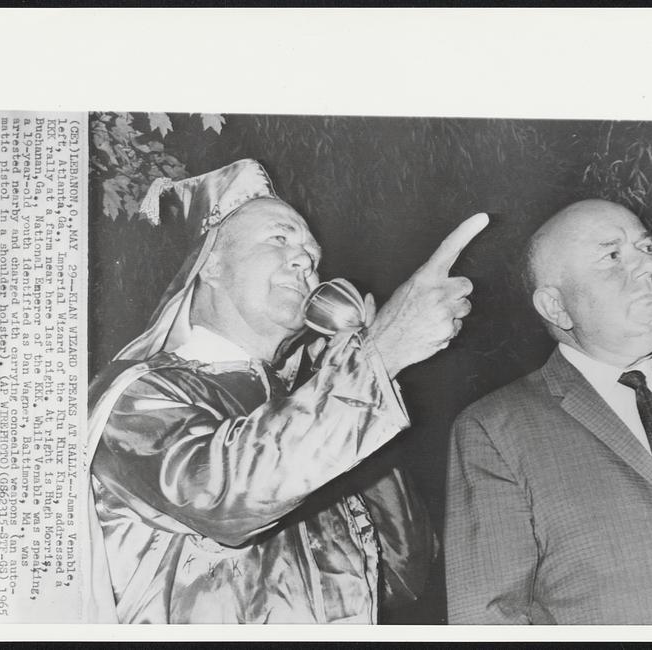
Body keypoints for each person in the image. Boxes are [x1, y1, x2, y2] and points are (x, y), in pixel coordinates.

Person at [84, 158, 488, 623]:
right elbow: (225, 495)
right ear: (209, 262)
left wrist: (364, 379)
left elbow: (402, 572)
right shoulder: (138, 395)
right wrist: (376, 360)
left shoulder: (305, 405)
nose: (306, 262)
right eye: (279, 239)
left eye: (312, 255)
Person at [445, 199, 652, 624]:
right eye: (613, 256)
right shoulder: (494, 429)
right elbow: (489, 619)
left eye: (646, 249)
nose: (648, 266)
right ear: (556, 306)